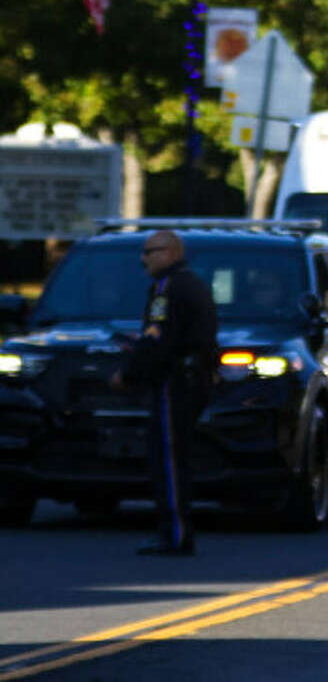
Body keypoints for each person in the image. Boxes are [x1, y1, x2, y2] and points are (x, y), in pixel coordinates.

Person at [111, 229, 218, 556]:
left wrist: (129, 375)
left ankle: (175, 534)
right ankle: (174, 532)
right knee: (174, 456)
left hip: (177, 382)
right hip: (191, 378)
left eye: (150, 252)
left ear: (170, 252)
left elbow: (158, 341)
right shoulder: (190, 283)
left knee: (169, 459)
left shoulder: (169, 289)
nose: (144, 260)